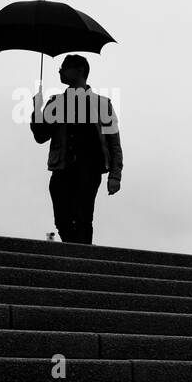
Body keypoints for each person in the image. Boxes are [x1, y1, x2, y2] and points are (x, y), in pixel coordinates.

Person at [30, 54, 122, 244]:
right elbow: (41, 135)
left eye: (65, 67)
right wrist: (37, 110)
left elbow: (114, 142)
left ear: (80, 70)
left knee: (83, 218)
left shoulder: (102, 103)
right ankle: (75, 253)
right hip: (62, 168)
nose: (60, 71)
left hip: (89, 169)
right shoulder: (56, 102)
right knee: (62, 219)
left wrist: (115, 175)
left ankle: (81, 261)